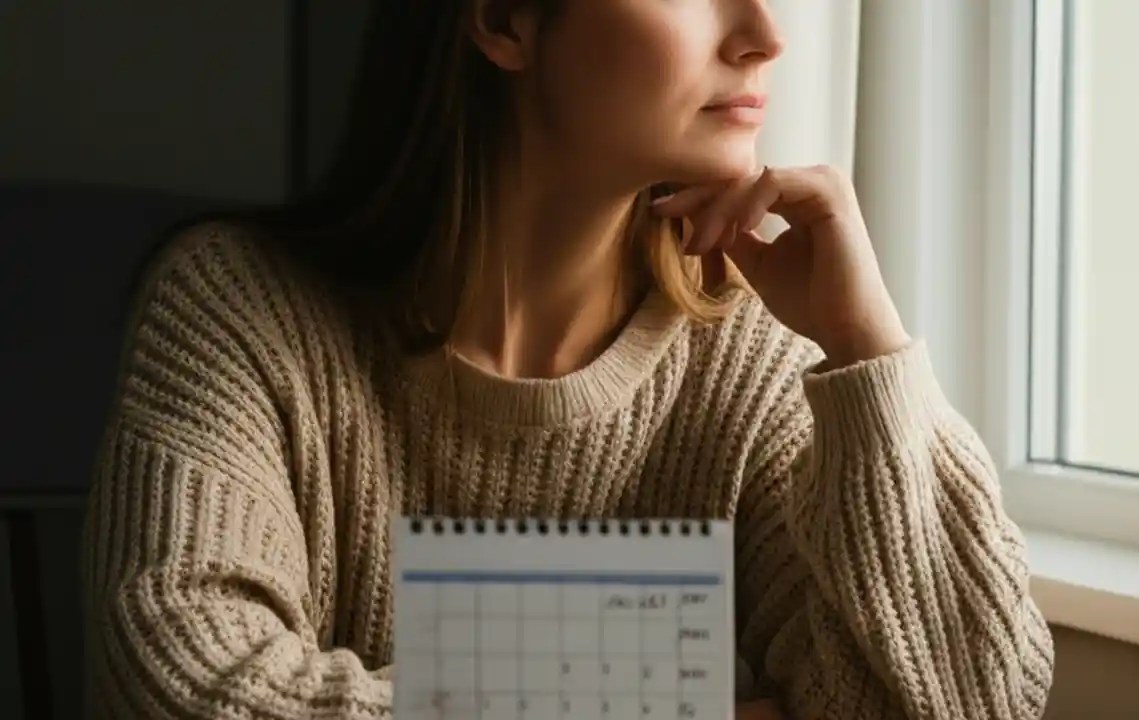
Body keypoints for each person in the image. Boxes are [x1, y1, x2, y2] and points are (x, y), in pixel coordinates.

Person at [82, 1, 1053, 718]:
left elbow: (970, 702)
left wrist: (866, 349)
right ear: (504, 20)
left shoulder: (748, 364)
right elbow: (189, 692)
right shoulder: (239, 311)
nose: (764, 32)